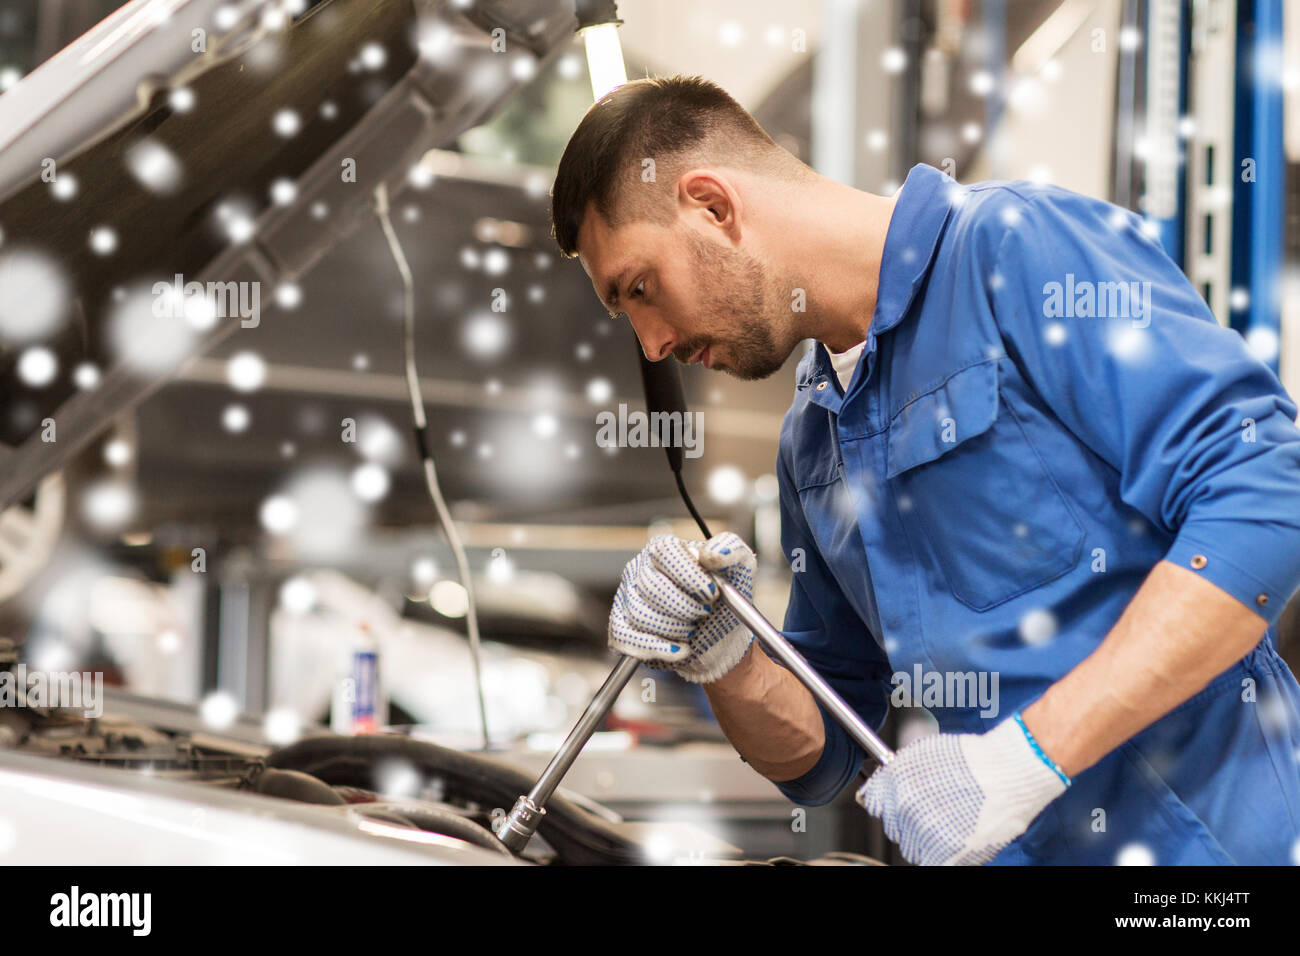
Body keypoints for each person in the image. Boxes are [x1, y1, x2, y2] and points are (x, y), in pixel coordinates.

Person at [549, 75, 1300, 865]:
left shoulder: (1014, 250)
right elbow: (826, 754)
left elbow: (1269, 490)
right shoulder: (813, 443)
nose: (653, 346)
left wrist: (1030, 757)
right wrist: (726, 657)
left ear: (712, 204)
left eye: (640, 288)